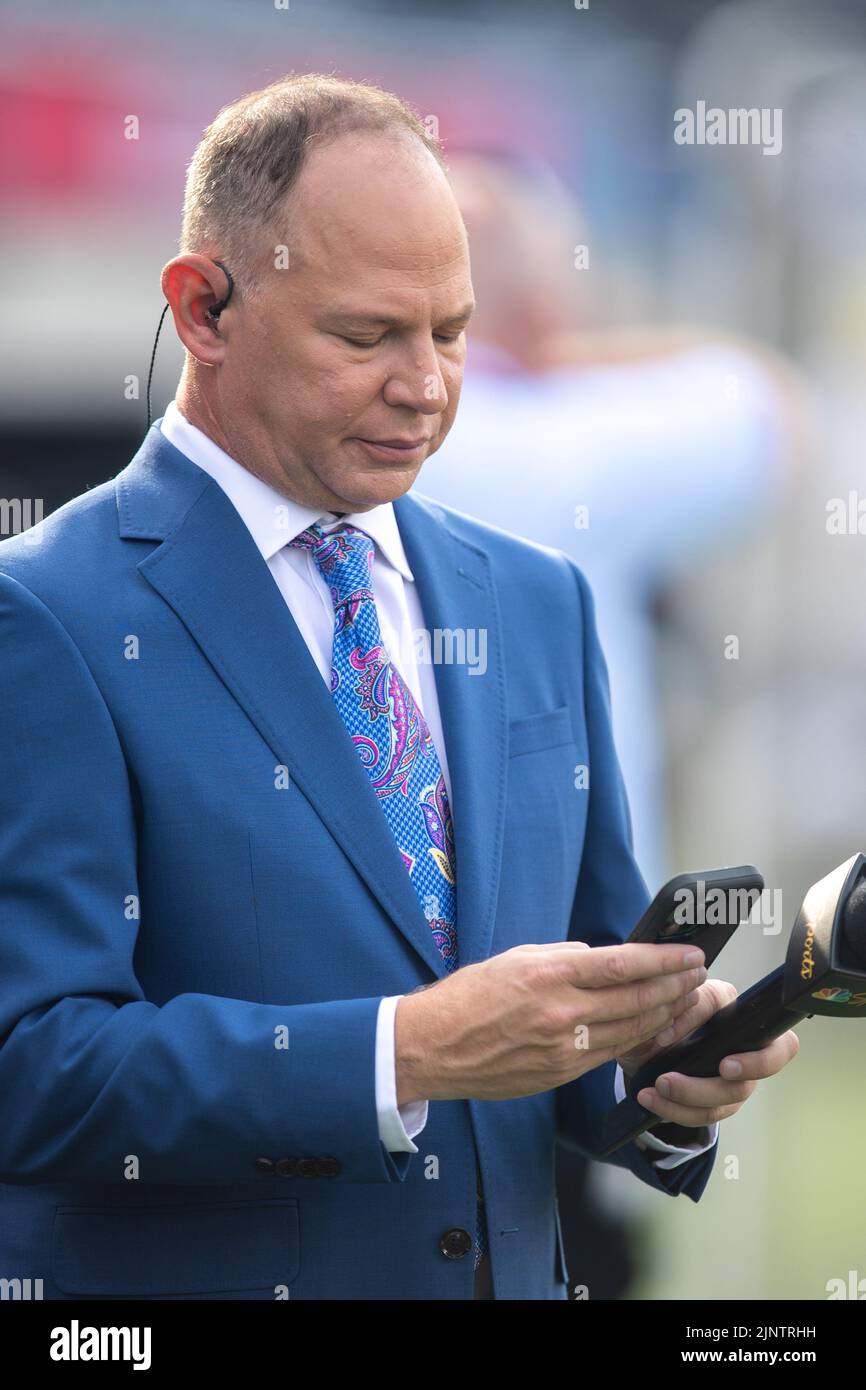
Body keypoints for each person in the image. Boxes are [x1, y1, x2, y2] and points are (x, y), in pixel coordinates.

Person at [0, 73, 799, 1302]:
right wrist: (400, 1054)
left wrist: (665, 1084)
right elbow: (32, 1071)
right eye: (366, 335)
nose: (426, 385)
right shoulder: (47, 612)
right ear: (201, 310)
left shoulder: (536, 598)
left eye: (452, 331)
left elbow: (570, 1040)